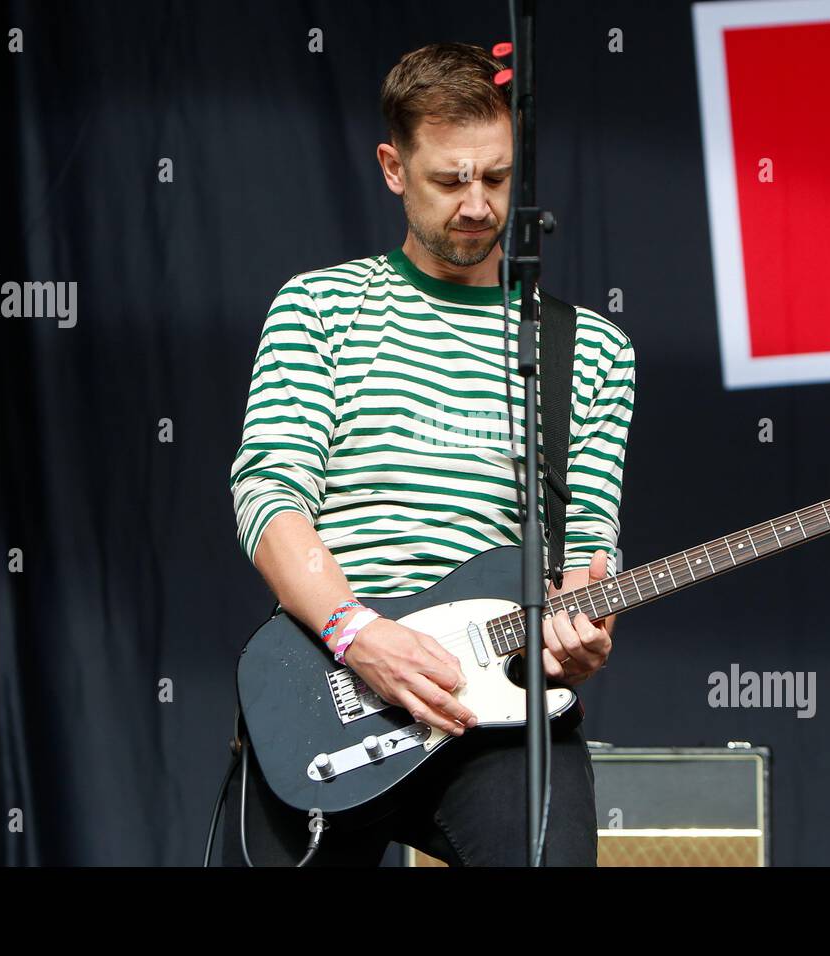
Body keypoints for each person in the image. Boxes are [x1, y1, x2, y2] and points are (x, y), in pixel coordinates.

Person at [221, 42, 635, 866]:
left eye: (497, 176)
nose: (478, 204)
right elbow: (268, 492)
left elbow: (589, 540)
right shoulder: (321, 306)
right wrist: (356, 632)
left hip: (497, 704)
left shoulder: (590, 348)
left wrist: (588, 627)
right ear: (392, 168)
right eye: (450, 180)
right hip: (326, 678)